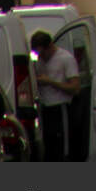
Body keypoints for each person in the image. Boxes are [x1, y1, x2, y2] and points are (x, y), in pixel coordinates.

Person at [30, 30, 80, 160]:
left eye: (43, 53)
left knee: (61, 148)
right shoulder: (38, 61)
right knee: (47, 149)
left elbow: (75, 87)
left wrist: (50, 82)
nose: (42, 57)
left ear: (50, 46)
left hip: (59, 108)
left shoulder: (65, 59)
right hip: (43, 108)